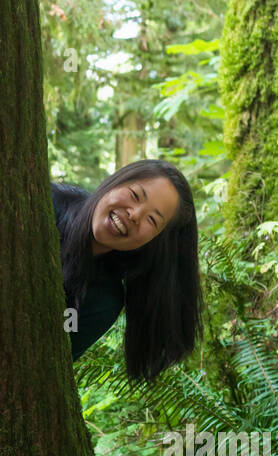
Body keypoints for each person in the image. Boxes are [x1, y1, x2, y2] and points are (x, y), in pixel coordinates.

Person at [53, 159, 203, 381]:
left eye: (152, 220)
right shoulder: (46, 202)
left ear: (153, 241)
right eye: (135, 195)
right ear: (115, 183)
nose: (135, 214)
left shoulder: (100, 300)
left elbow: (48, 358)